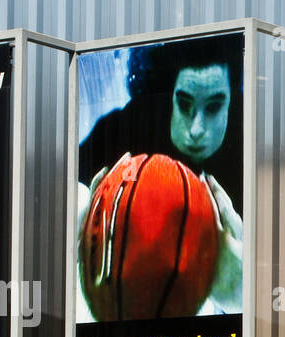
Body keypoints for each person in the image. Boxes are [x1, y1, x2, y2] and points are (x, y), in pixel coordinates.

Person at [78, 34, 243, 315]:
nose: (196, 129)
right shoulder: (126, 127)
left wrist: (245, 296)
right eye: (184, 103)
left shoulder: (252, 151)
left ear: (233, 103)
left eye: (214, 107)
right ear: (169, 97)